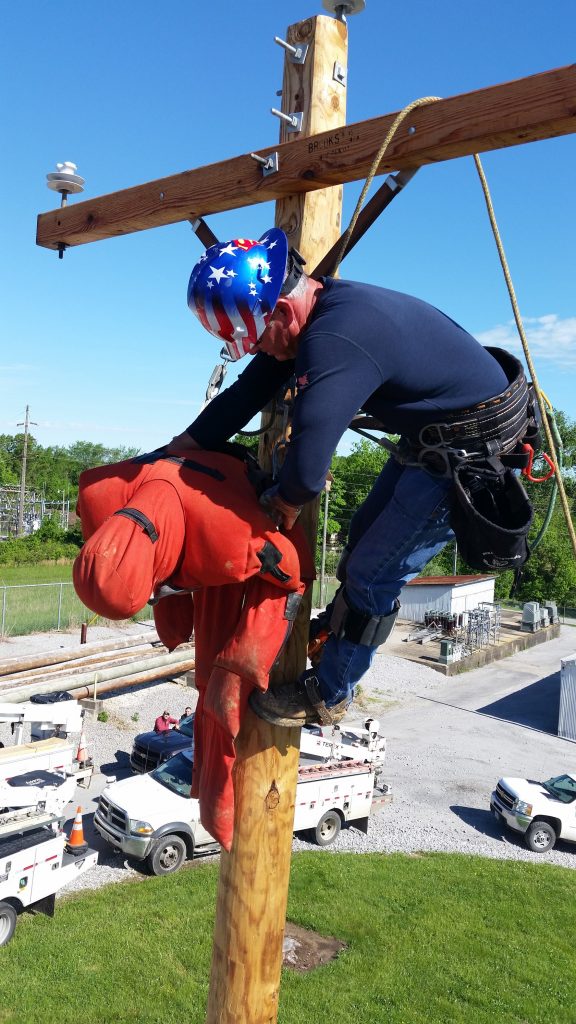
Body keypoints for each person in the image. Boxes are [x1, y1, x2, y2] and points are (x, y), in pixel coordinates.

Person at [166, 228, 533, 729]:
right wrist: (177, 449)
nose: (259, 352)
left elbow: (306, 468)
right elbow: (246, 393)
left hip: (467, 458)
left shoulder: (335, 338)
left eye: (258, 340)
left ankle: (330, 693)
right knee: (361, 537)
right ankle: (340, 630)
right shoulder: (315, 313)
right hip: (436, 439)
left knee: (372, 573)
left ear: (280, 311)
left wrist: (285, 501)